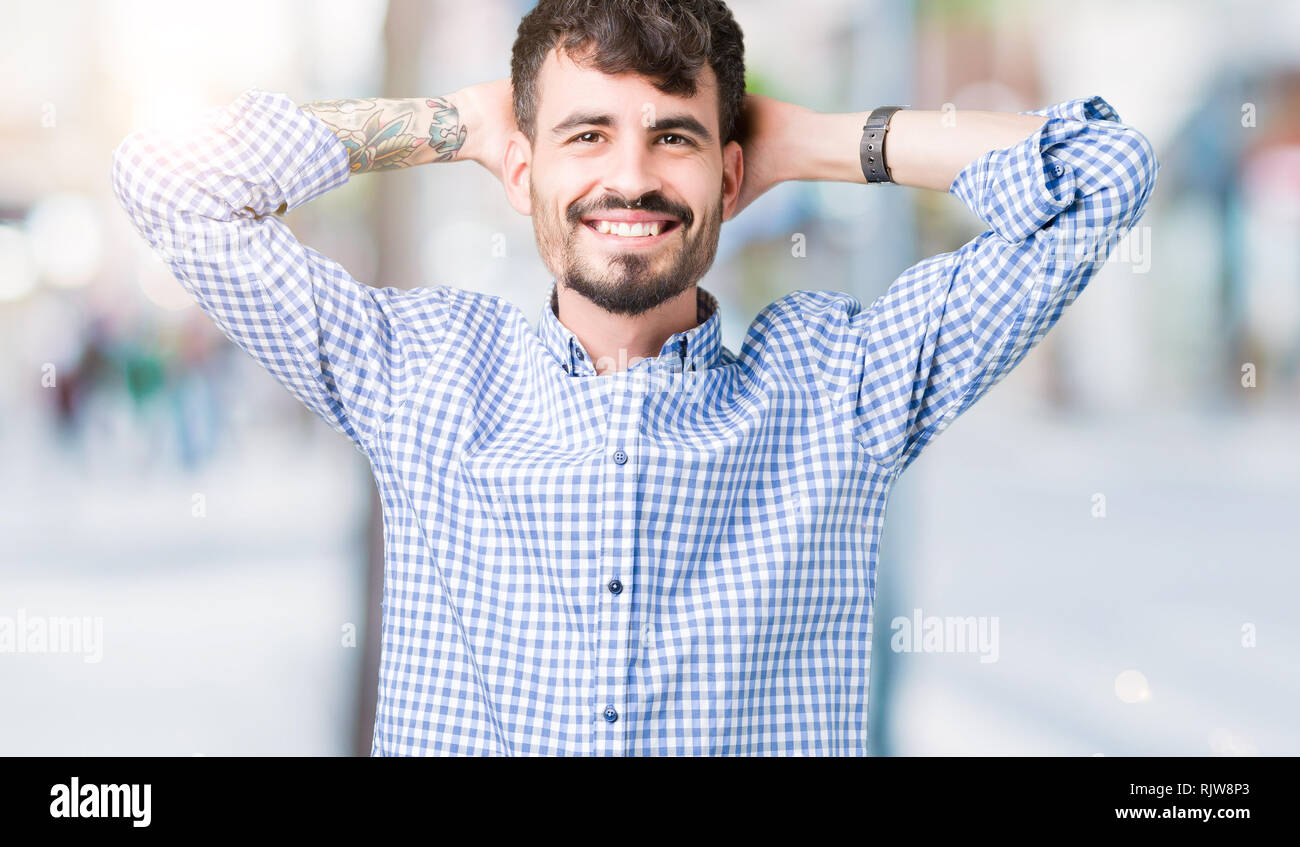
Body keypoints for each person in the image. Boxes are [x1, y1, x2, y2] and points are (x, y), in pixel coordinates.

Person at [110, 0, 1158, 755]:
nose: (629, 177)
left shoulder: (843, 391)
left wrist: (828, 143)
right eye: (584, 135)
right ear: (522, 170)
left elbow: (1105, 172)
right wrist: (453, 125)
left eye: (674, 138)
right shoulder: (415, 374)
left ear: (731, 173)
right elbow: (163, 174)